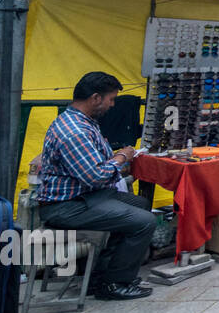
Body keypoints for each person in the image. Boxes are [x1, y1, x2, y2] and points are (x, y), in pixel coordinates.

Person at [35, 72, 156, 301]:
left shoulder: (83, 122)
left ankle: (101, 277)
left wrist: (117, 162)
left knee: (140, 205)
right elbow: (94, 175)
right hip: (67, 206)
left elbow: (95, 165)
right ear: (95, 98)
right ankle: (116, 284)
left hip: (87, 196)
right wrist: (121, 158)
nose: (112, 105)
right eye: (111, 99)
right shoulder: (75, 131)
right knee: (144, 222)